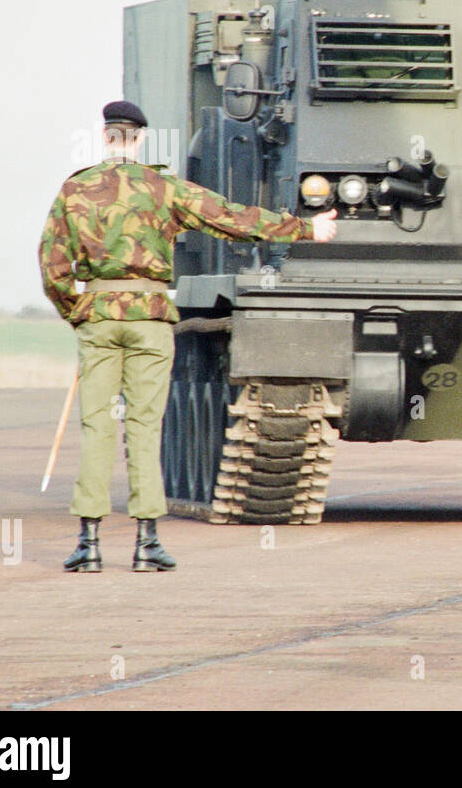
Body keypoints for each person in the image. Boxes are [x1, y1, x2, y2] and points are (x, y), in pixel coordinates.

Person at [38, 101, 338, 573]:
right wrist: (304, 228)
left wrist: (75, 310)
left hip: (98, 317)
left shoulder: (75, 189)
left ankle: (89, 544)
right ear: (138, 139)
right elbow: (230, 218)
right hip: (150, 318)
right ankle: (145, 543)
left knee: (96, 426)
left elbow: (53, 264)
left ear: (105, 137)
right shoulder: (162, 187)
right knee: (143, 425)